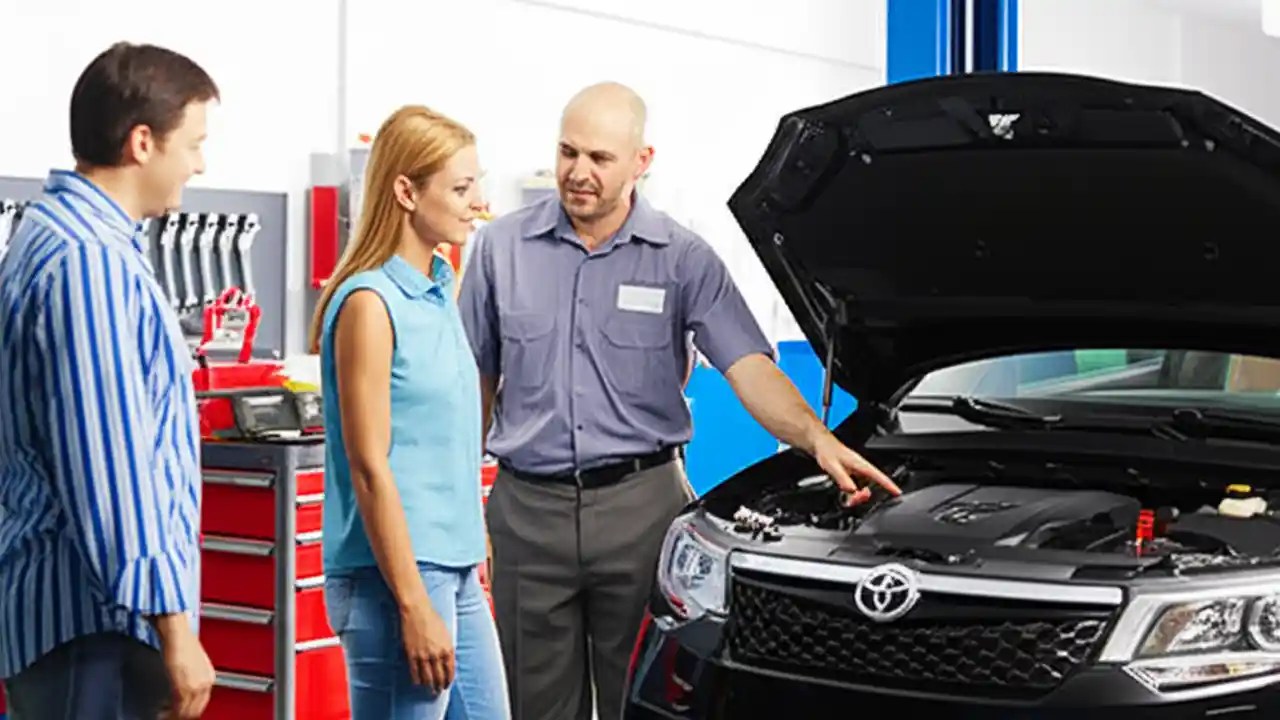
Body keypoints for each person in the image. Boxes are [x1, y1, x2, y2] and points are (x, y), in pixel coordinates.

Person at [457, 81, 901, 720]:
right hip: (526, 513)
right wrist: (461, 509)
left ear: (642, 161)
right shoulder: (501, 249)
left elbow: (749, 367)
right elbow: (475, 380)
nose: (578, 173)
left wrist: (818, 439)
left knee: (643, 701)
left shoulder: (682, 259)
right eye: (568, 152)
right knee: (533, 706)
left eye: (600, 159)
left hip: (641, 512)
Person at [0, 42, 219, 720]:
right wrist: (175, 627)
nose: (201, 163)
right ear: (143, 142)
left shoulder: (62, 238)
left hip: (84, 622)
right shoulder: (89, 264)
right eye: (195, 142)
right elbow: (111, 466)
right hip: (95, 626)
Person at [307, 104, 509, 720]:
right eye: (460, 186)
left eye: (477, 183)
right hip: (393, 579)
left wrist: (472, 538)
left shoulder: (438, 287)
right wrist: (413, 602)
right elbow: (369, 467)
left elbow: (444, 436)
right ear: (405, 190)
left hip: (454, 566)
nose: (478, 201)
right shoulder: (370, 303)